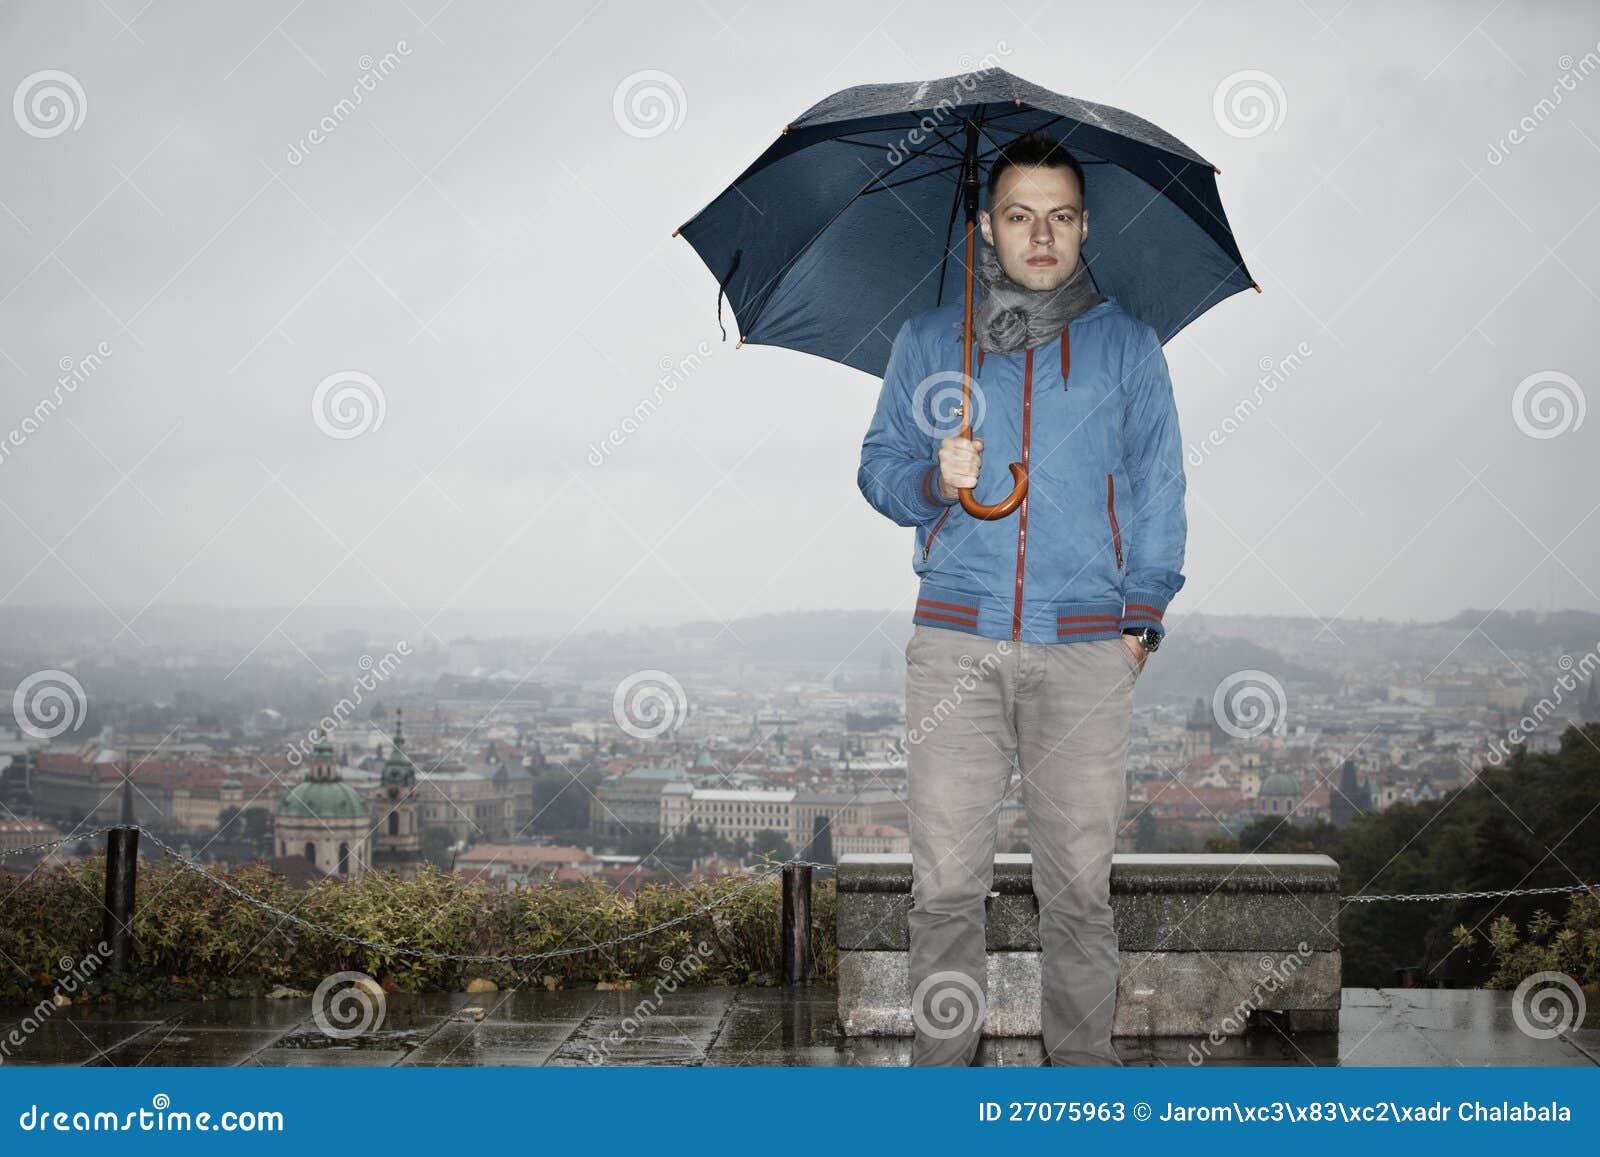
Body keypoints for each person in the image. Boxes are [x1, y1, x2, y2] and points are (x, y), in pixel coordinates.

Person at [856, 130, 1187, 1066]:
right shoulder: (929, 340)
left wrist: (1139, 627)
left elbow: (1162, 489)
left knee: (1079, 893)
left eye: (1060, 216)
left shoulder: (1129, 347)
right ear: (985, 228)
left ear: (1084, 227)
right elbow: (877, 472)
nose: (1040, 235)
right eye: (1018, 215)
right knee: (947, 891)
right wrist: (934, 479)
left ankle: (1076, 1100)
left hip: (1088, 653)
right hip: (954, 644)